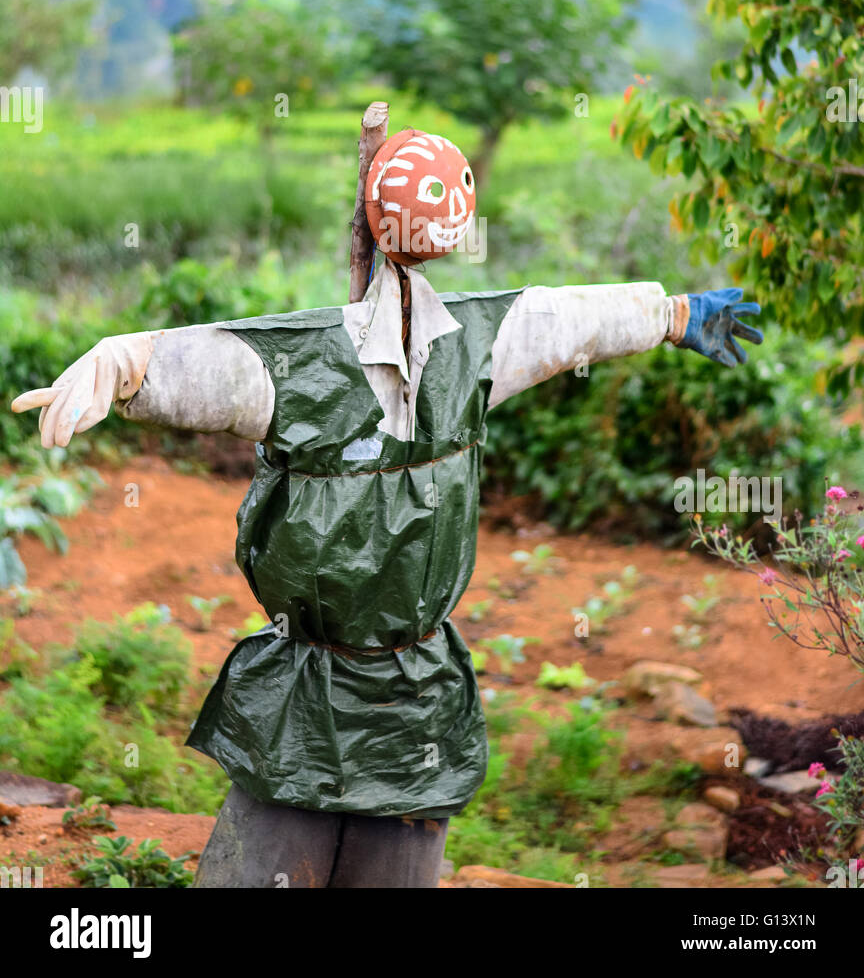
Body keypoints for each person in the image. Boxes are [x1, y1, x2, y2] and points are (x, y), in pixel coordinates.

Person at [12, 128, 762, 888]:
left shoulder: (471, 343)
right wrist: (121, 364)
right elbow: (206, 359)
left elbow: (566, 321)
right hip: (309, 693)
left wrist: (672, 313)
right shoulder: (305, 363)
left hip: (416, 694)